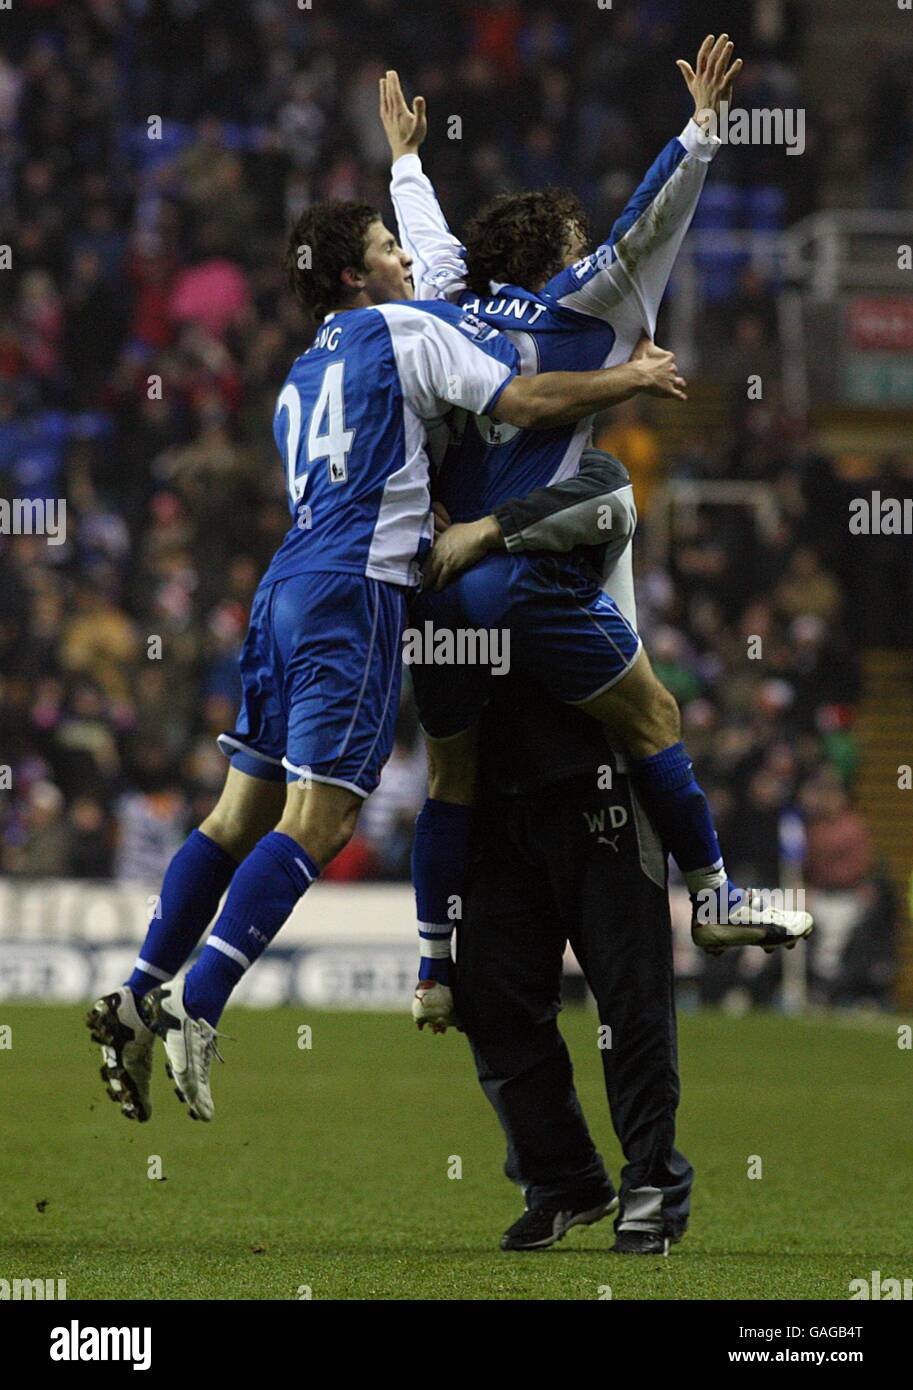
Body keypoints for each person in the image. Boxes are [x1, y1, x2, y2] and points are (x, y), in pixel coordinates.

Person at [86, 198, 682, 1124]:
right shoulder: (405, 326)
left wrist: (409, 169)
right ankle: (194, 1004)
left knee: (235, 810)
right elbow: (519, 397)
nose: (408, 258)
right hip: (350, 591)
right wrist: (628, 377)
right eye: (386, 248)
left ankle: (135, 988)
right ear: (355, 276)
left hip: (279, 585)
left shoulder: (295, 376)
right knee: (318, 821)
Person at [378, 43, 811, 1033]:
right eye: (571, 240)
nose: (585, 251)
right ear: (553, 252)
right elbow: (645, 228)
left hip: (432, 591)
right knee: (652, 714)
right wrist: (699, 133)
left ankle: (431, 967)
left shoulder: (446, 303)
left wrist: (405, 159)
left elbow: (430, 236)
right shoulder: (583, 302)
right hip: (513, 576)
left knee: (451, 772)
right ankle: (711, 900)